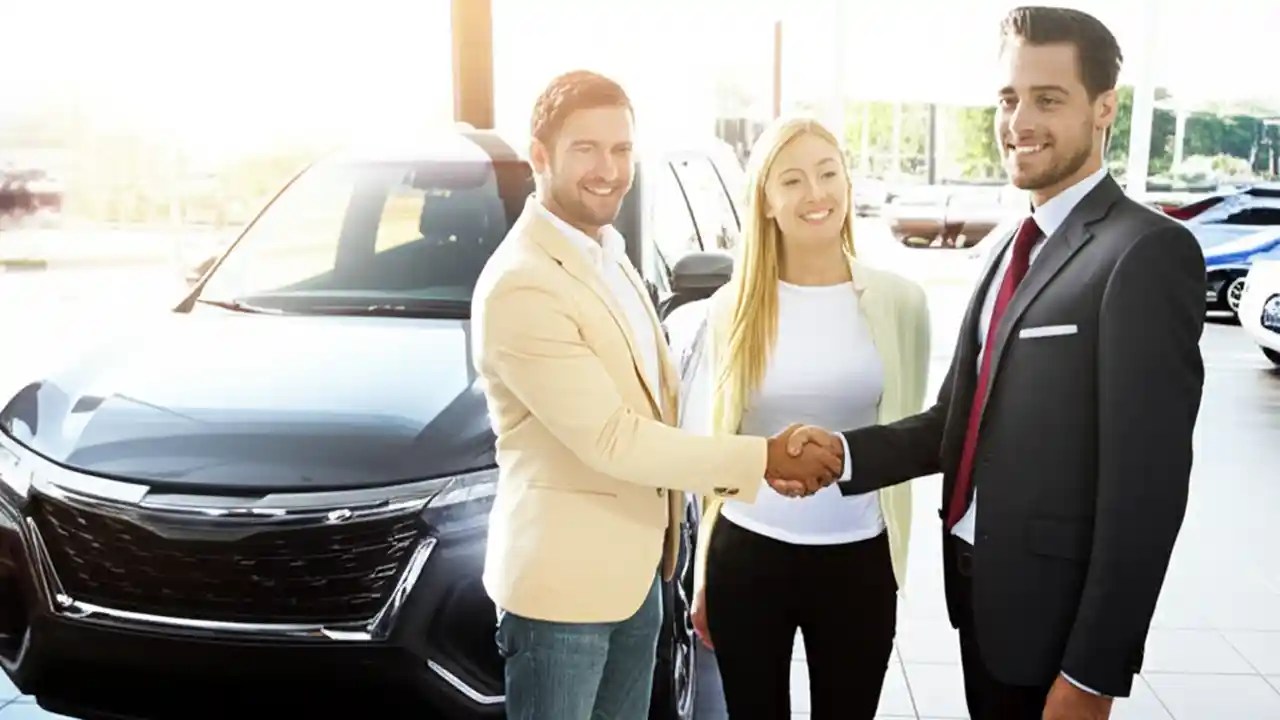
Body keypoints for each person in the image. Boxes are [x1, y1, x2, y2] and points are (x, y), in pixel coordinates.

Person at [788, 7, 1205, 720]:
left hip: (1055, 623)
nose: (1019, 122)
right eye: (1009, 99)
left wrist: (1094, 672)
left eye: (1048, 99)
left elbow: (1147, 491)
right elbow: (958, 420)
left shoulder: (1144, 252)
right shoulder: (1010, 246)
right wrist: (842, 454)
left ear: (1104, 108)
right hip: (982, 598)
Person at [469, 70, 842, 720]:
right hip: (563, 596)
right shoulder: (524, 282)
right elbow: (613, 437)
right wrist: (762, 459)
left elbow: (657, 401)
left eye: (621, 149)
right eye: (586, 149)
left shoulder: (606, 254)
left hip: (635, 575)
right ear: (540, 156)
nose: (609, 169)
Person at [670, 116, 930, 719]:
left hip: (859, 559)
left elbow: (910, 434)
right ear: (765, 200)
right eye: (792, 180)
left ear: (847, 182)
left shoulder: (901, 303)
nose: (816, 193)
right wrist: (704, 571)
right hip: (747, 557)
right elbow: (715, 447)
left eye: (828, 173)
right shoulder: (731, 309)